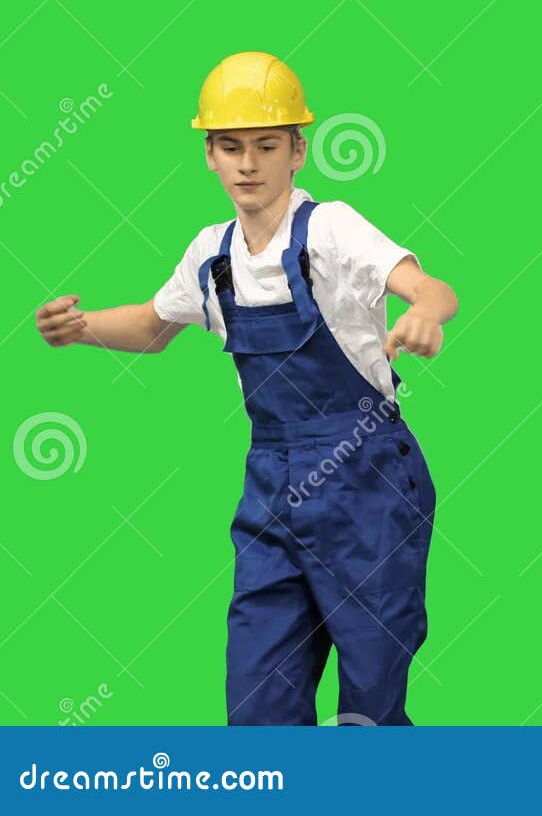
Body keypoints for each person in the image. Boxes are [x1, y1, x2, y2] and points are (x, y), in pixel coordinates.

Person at [34, 51, 459, 725]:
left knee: (371, 698)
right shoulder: (212, 254)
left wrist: (425, 315)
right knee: (259, 699)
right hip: (271, 487)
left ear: (299, 150)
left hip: (365, 480)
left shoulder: (332, 229)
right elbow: (152, 324)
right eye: (230, 147)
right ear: (209, 155)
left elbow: (430, 286)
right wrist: (82, 328)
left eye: (266, 145)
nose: (248, 164)